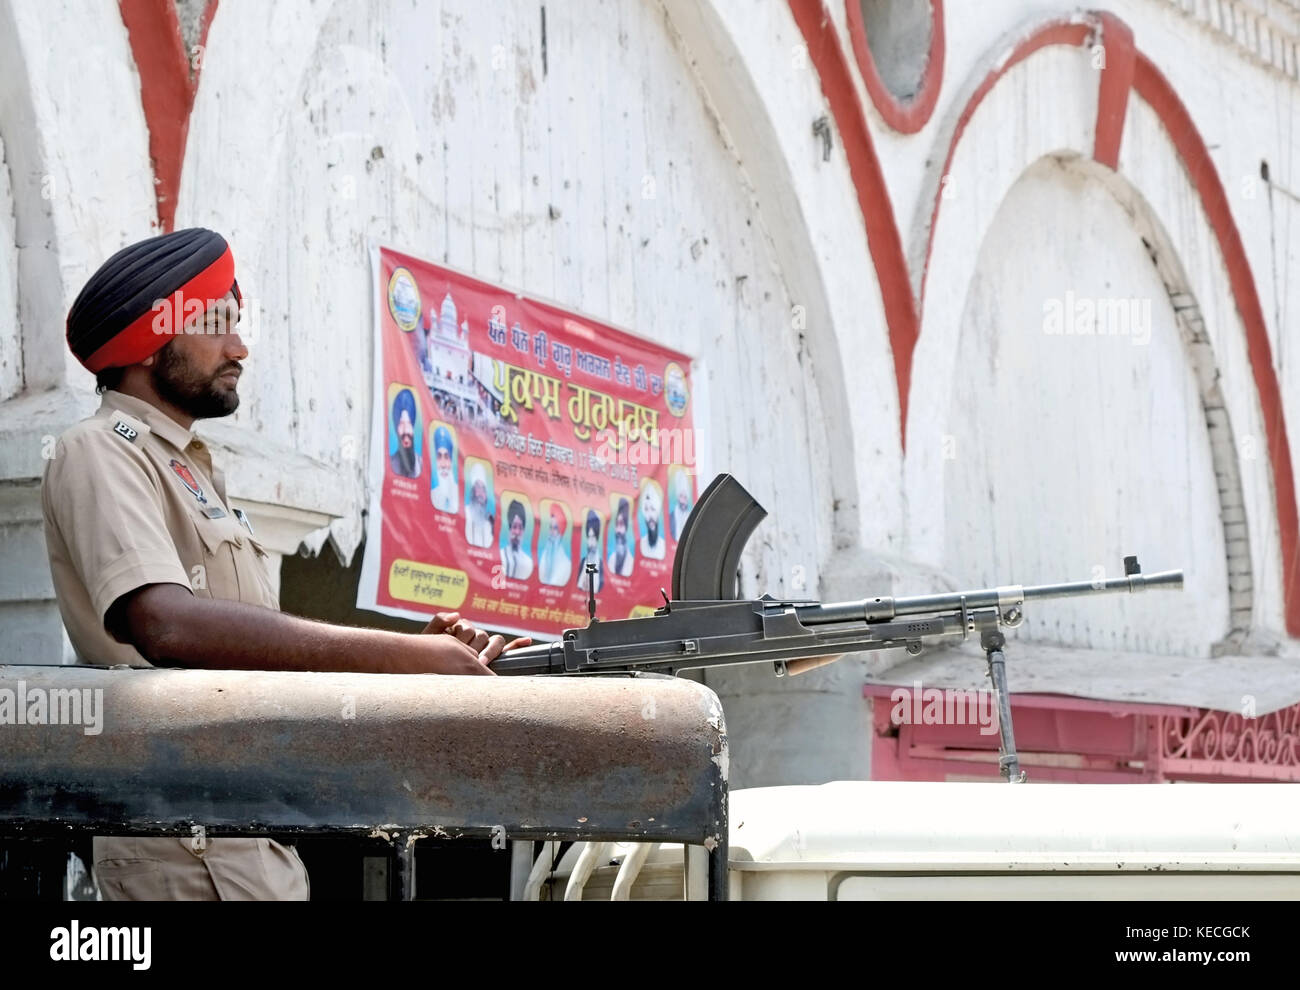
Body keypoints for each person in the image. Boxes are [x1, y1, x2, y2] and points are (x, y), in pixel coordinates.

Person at [44, 228, 529, 902]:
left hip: (247, 845)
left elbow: (252, 657)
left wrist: (413, 660)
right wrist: (401, 659)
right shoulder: (98, 449)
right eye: (215, 325)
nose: (239, 347)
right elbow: (164, 624)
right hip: (184, 858)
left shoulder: (188, 467)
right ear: (150, 341)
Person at [538, 504, 572, 586]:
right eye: (550, 527)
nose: (552, 532)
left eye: (555, 528)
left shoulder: (565, 563)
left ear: (560, 532)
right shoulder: (544, 554)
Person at [499, 499, 533, 580]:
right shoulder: (500, 556)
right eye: (514, 527)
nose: (517, 532)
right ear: (509, 528)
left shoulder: (528, 563)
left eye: (520, 528)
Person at [389, 388, 420, 478]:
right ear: (396, 428)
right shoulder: (390, 464)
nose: (406, 430)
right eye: (402, 424)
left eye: (409, 424)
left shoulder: (422, 465)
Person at [464, 462, 494, 547]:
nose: (481, 493)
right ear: (472, 491)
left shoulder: (489, 522)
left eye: (483, 489)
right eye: (478, 487)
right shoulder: (465, 513)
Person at [574, 510, 604, 593]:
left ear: (597, 539)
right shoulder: (583, 561)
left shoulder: (601, 565)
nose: (590, 542)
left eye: (593, 537)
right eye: (589, 537)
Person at [430, 425, 458, 513]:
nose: (443, 465)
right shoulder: (431, 494)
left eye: (446, 457)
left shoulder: (458, 496)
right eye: (439, 457)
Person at [606, 498, 635, 577]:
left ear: (626, 528)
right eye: (617, 525)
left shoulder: (632, 563)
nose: (618, 530)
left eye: (621, 524)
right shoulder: (610, 560)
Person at [639, 484, 665, 560]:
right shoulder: (641, 544)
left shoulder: (663, 546)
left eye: (653, 509)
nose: (650, 516)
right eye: (646, 510)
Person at [669, 475, 692, 540]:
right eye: (681, 496)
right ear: (678, 497)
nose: (683, 501)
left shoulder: (691, 515)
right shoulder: (672, 517)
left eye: (685, 497)